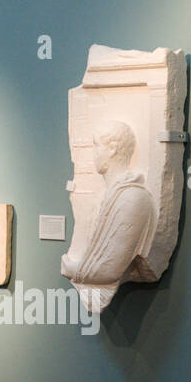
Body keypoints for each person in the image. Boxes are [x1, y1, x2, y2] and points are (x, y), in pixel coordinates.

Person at [61, 120, 157, 314]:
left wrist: (72, 269)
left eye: (96, 146)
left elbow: (109, 270)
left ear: (112, 149)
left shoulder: (133, 198)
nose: (93, 153)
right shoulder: (103, 197)